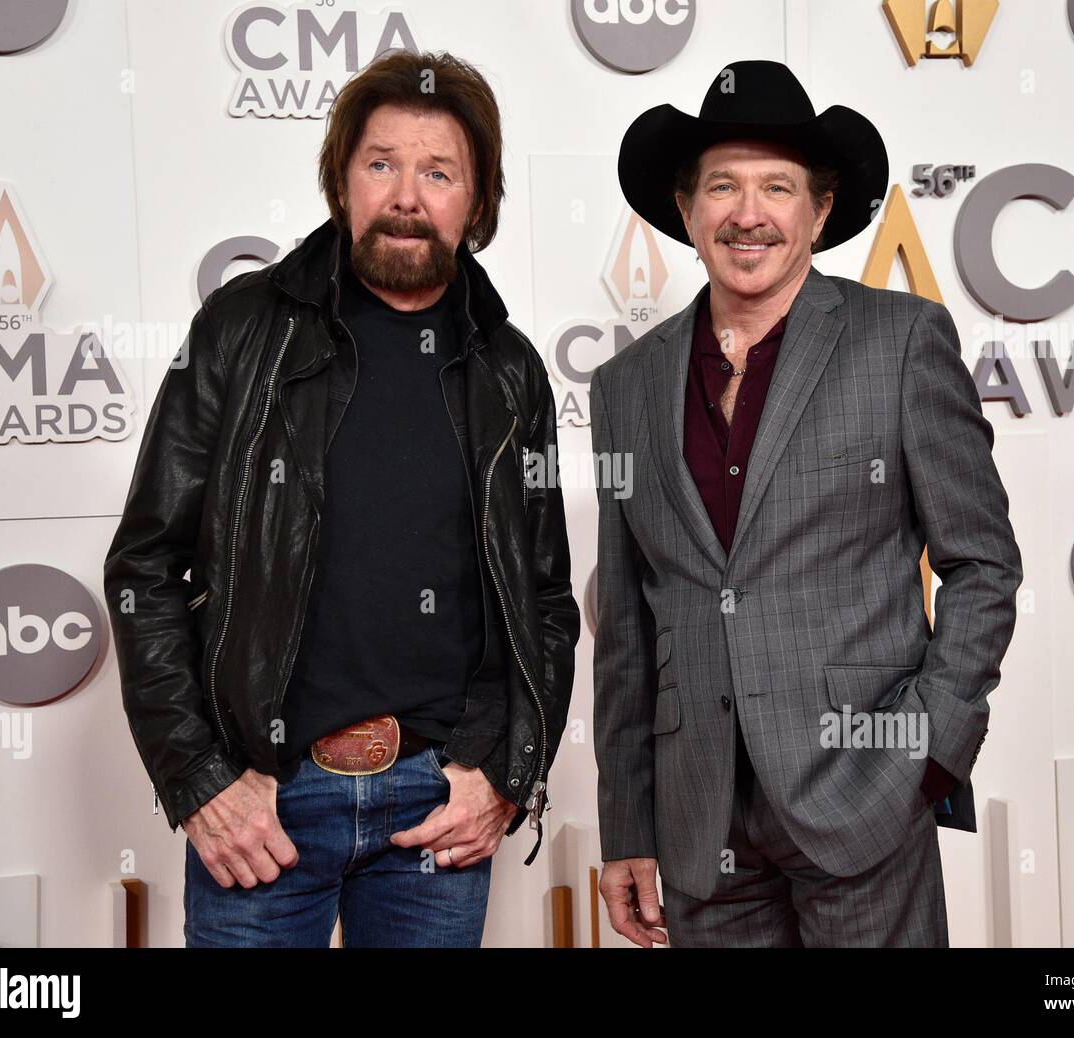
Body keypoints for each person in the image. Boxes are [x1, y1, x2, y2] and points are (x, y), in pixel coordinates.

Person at [104, 49, 579, 947]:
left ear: (476, 203)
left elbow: (546, 602)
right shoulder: (242, 330)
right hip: (267, 805)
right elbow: (145, 567)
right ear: (340, 181)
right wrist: (200, 778)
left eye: (438, 172)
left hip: (435, 810)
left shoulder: (510, 371)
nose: (407, 195)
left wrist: (505, 776)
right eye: (381, 164)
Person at [590, 60, 1022, 948]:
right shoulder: (625, 388)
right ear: (686, 208)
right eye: (723, 187)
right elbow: (630, 629)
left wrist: (930, 750)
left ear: (819, 212)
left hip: (865, 797)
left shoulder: (899, 342)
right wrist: (629, 826)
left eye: (776, 187)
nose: (748, 214)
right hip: (701, 825)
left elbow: (982, 563)